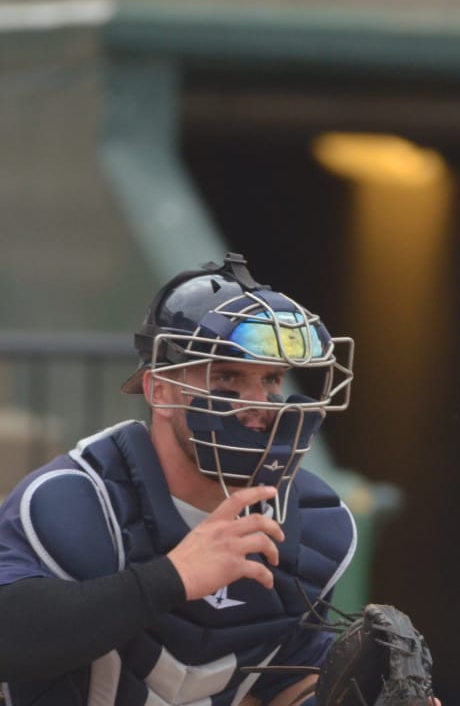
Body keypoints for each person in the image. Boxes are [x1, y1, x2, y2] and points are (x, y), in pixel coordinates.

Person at [0, 253, 358, 706]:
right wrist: (171, 577)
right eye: (227, 375)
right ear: (160, 390)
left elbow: (284, 679)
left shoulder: (315, 522)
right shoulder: (74, 498)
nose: (260, 402)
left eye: (270, 378)